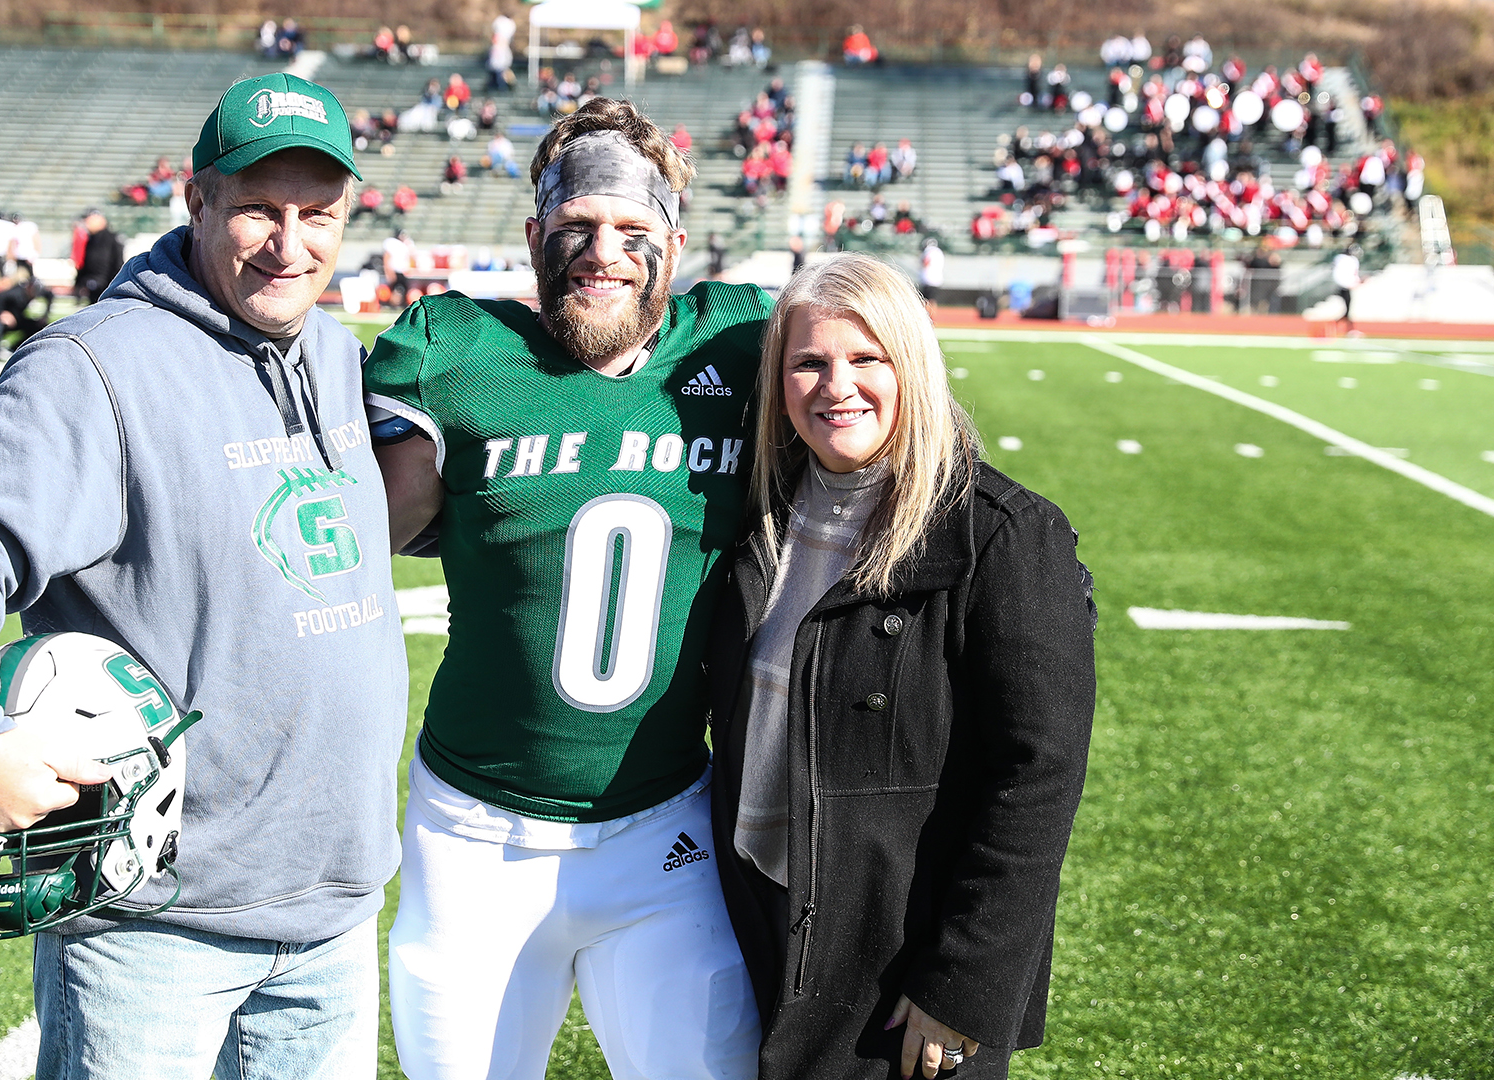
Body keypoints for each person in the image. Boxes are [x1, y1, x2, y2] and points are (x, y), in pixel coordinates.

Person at [0, 72, 402, 1080]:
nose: (290, 244)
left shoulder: (333, 353)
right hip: (156, 928)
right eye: (257, 209)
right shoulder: (92, 368)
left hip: (333, 921)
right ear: (197, 199)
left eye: (318, 214)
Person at [365, 97, 766, 1080]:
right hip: (472, 838)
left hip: (666, 837)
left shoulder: (740, 345)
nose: (604, 254)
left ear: (675, 243)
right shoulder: (454, 350)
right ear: (537, 233)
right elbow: (361, 532)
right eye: (578, 228)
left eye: (633, 232)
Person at [706, 254, 1095, 1080]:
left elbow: (1038, 776)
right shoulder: (759, 521)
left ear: (910, 366)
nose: (835, 385)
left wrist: (963, 987)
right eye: (808, 362)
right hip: (755, 921)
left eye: (866, 358)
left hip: (889, 959)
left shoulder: (1002, 534)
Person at [0, 268, 54, 360]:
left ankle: (16, 347)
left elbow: (50, 295)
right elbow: (0, 297)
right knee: (2, 325)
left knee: (38, 325)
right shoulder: (16, 293)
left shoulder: (37, 292)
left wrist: (45, 316)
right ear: (29, 287)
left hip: (16, 318)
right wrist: (2, 313)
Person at [76, 209, 124, 304]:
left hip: (107, 285)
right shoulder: (90, 240)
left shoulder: (112, 239)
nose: (86, 224)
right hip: (91, 284)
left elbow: (117, 263)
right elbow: (86, 263)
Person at [918, 235, 944, 306]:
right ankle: (932, 315)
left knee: (926, 300)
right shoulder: (939, 252)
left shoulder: (928, 251)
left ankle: (928, 315)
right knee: (932, 299)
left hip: (928, 279)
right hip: (937, 279)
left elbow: (926, 262)